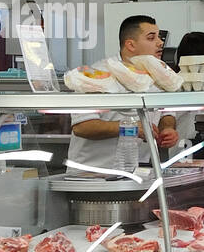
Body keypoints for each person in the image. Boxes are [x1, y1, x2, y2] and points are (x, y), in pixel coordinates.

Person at [69, 15, 178, 170]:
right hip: (94, 175)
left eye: (159, 37)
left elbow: (167, 113)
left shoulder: (159, 74)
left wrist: (168, 128)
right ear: (131, 45)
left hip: (140, 172)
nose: (160, 43)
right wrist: (130, 127)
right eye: (151, 38)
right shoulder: (98, 74)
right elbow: (82, 126)